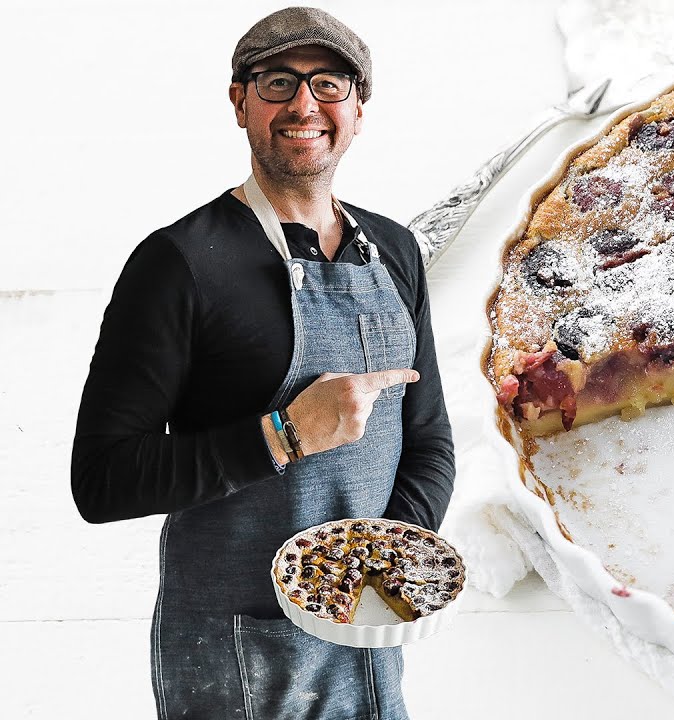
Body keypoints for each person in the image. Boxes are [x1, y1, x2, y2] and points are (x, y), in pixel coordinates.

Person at [70, 7, 454, 718]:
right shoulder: (179, 262)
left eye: (329, 83)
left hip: (368, 640)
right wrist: (286, 434)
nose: (304, 105)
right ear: (239, 101)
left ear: (358, 108)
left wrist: (375, 578)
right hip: (234, 659)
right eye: (278, 82)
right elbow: (101, 480)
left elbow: (428, 440)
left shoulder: (395, 250)